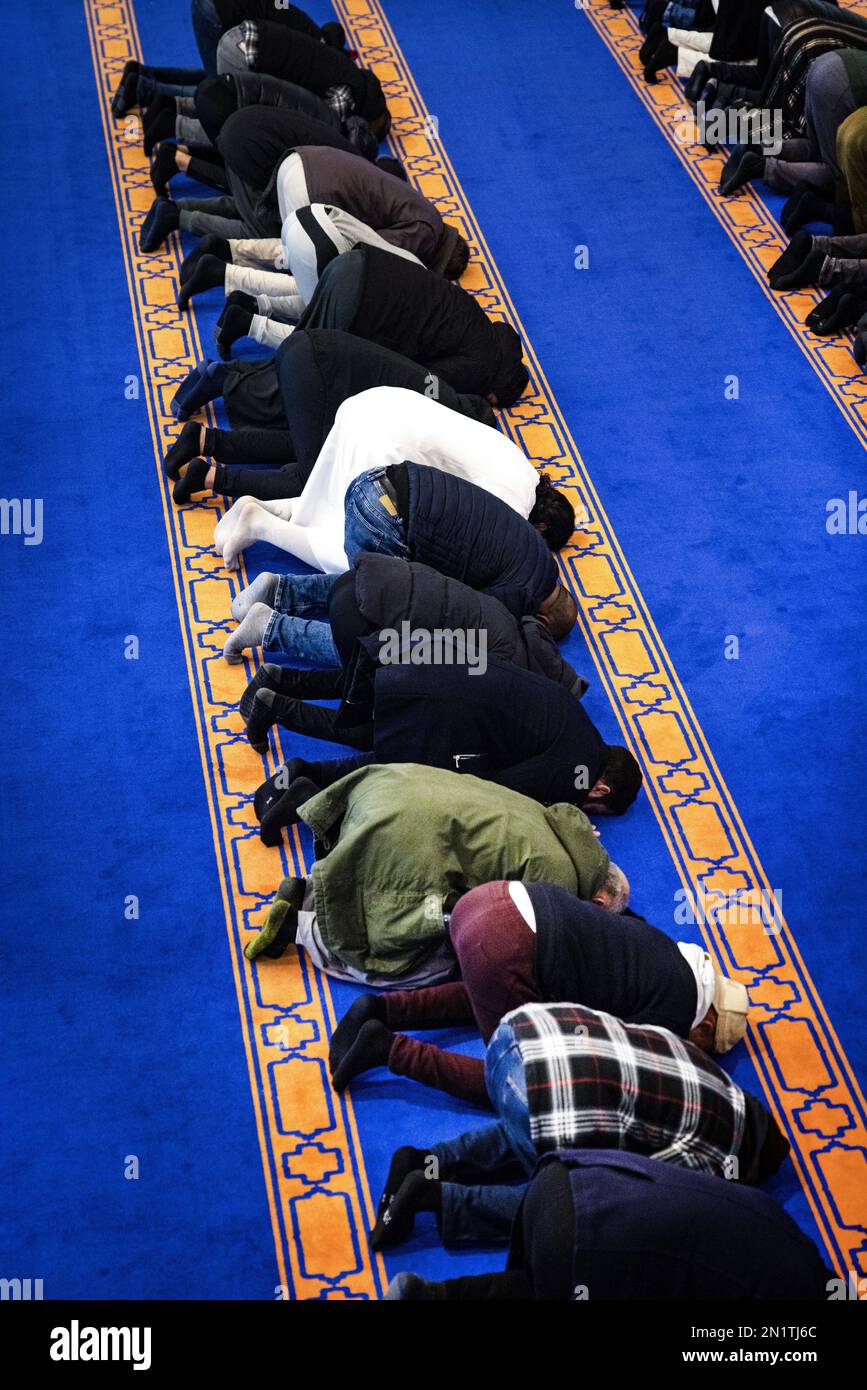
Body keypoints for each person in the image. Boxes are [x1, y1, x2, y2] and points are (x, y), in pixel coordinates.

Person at [368, 1000, 789, 1249]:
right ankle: (438, 1199)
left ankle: (426, 1161)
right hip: (542, 1100)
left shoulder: (707, 1069)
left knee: (542, 1120)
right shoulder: (719, 1154)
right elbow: (639, 1190)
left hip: (515, 1038)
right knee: (574, 1208)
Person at [328, 880, 746, 1103]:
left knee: (500, 991)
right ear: (706, 1022)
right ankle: (387, 1049)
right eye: (706, 1043)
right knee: (520, 1086)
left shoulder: (671, 950)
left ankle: (382, 1009)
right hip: (506, 949)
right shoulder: (672, 1014)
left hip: (491, 900)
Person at [240, 764, 626, 982]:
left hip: (387, 782)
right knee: (421, 958)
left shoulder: (558, 822)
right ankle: (304, 928)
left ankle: (308, 887)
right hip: (399, 830)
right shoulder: (557, 884)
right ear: (597, 901)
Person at [218, 461, 576, 661]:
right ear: (542, 618)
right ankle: (270, 627)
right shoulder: (521, 593)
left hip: (379, 483)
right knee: (380, 650)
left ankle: (278, 589)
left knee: (371, 587)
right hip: (387, 519)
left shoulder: (538, 554)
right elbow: (464, 620)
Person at [384, 1149, 833, 1300]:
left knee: (539, 1285)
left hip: (565, 1179)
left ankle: (429, 1294)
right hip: (588, 1242)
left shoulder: (791, 1237)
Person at [164, 330, 496, 505]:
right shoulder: (439, 415)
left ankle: (203, 439)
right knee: (311, 480)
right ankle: (207, 478)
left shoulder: (441, 391)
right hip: (316, 373)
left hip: (311, 349)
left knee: (304, 445)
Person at [212, 245, 530, 409]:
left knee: (300, 348)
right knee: (307, 372)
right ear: (496, 389)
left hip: (356, 264)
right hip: (363, 300)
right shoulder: (482, 365)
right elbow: (424, 381)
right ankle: (222, 381)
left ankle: (241, 332)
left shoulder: (480, 322)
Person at [176, 142, 470, 311]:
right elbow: (367, 254)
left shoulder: (427, 212)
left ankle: (227, 249)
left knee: (299, 248)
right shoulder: (425, 234)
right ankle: (227, 278)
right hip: (313, 191)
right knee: (322, 294)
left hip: (298, 162)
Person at [216, 20, 391, 136]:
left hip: (241, 35)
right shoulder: (347, 92)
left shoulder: (348, 71)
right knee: (234, 128)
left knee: (217, 97)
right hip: (246, 53)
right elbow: (323, 125)